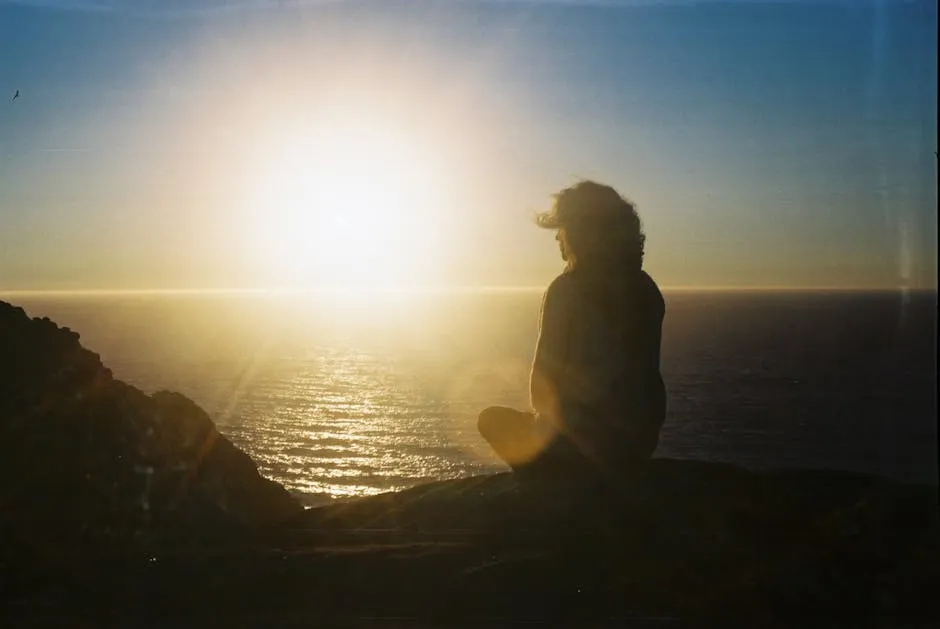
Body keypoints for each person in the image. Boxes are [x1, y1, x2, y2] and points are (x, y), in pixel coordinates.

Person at [478, 181, 666, 488]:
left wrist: (542, 423)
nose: (557, 236)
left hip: (573, 448)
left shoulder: (566, 291)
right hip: (635, 446)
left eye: (562, 228)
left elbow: (542, 386)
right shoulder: (647, 289)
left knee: (491, 419)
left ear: (579, 234)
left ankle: (549, 479)